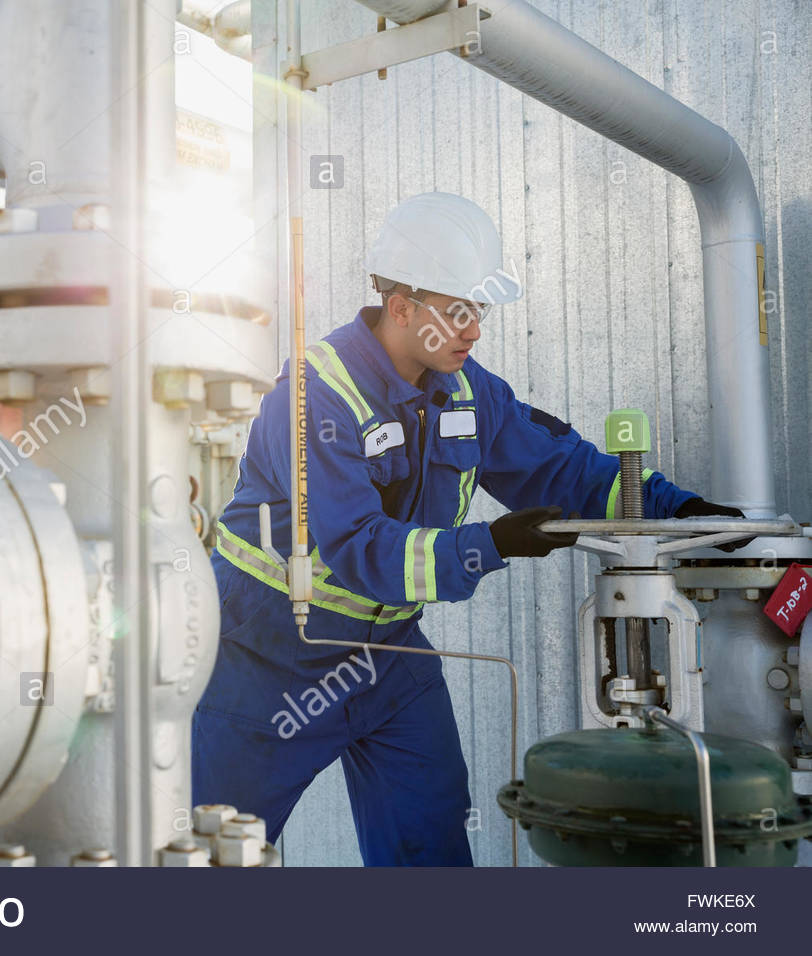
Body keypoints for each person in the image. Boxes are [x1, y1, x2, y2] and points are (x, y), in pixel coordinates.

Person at [191, 191, 742, 865]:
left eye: (478, 309)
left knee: (432, 848)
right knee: (211, 856)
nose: (474, 328)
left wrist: (681, 512)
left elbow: (562, 470)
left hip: (388, 656)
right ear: (401, 307)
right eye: (458, 310)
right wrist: (494, 543)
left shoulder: (465, 389)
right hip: (267, 660)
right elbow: (360, 548)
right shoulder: (313, 398)